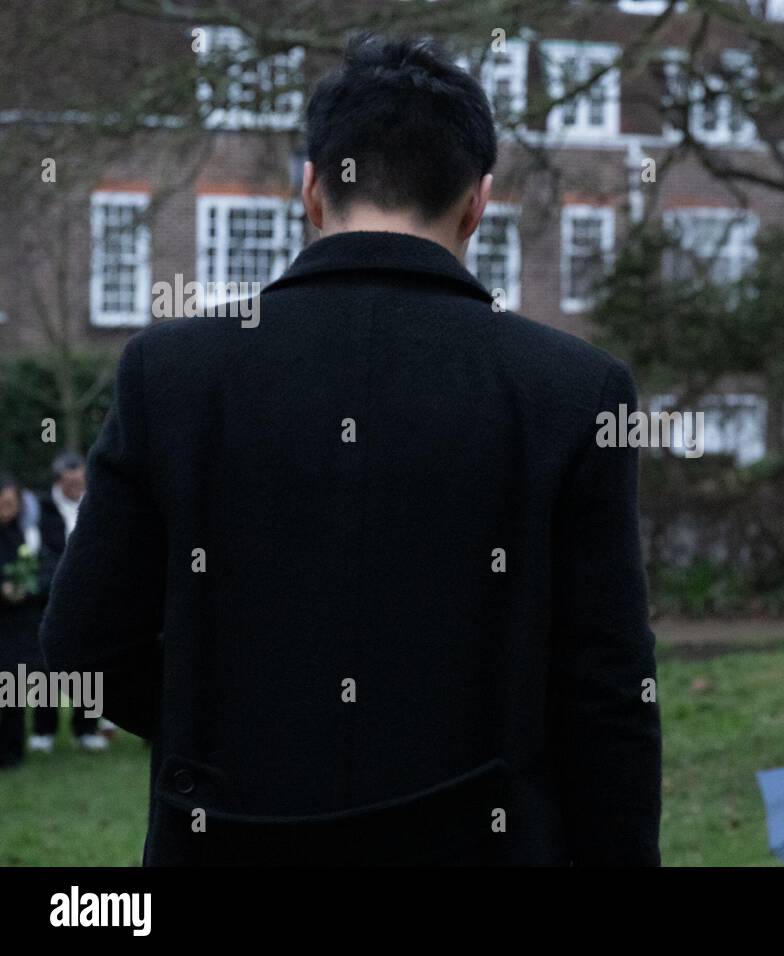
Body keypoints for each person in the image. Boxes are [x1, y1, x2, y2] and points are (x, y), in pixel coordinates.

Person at [41, 34, 661, 865]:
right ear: (478, 202)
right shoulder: (570, 390)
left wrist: (229, 734)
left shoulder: (174, 373)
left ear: (312, 189)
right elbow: (607, 694)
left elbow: (84, 642)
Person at [28, 452, 109, 753]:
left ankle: (87, 728)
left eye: (81, 478)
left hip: (91, 598)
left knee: (91, 663)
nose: (76, 483)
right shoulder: (39, 510)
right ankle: (43, 729)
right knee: (44, 664)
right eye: (69, 478)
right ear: (58, 478)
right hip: (48, 596)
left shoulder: (98, 505)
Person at [0, 474, 54, 768]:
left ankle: (11, 751)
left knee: (13, 692)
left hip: (20, 628)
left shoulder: (28, 534)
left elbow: (49, 572)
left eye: (12, 503)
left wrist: (26, 588)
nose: (7, 509)